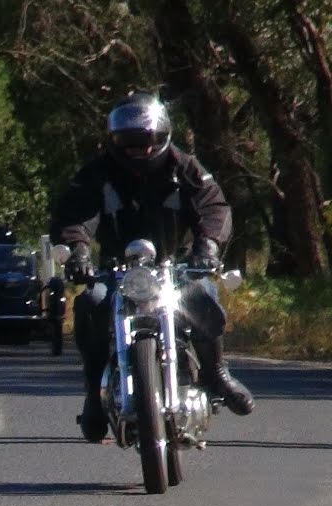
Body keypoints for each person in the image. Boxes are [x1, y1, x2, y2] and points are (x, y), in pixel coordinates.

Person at [50, 93, 254, 443]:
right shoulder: (96, 174)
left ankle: (215, 372)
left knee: (203, 296)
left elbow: (213, 205)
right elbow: (73, 215)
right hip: (116, 271)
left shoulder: (185, 167)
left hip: (176, 266)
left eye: (144, 142)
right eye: (127, 143)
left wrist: (207, 245)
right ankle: (94, 393)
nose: (137, 150)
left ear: (161, 137)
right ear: (114, 141)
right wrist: (79, 251)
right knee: (92, 303)